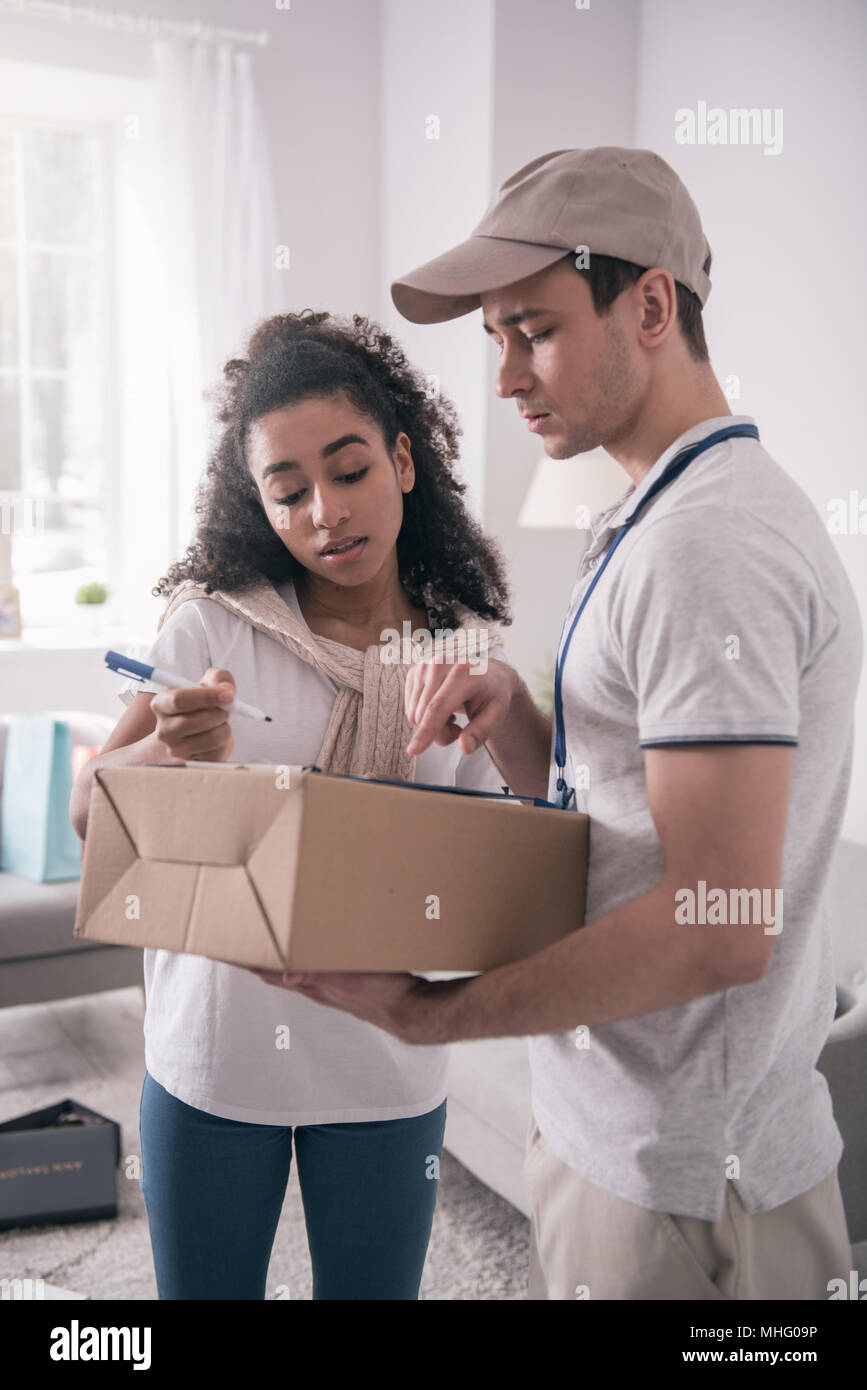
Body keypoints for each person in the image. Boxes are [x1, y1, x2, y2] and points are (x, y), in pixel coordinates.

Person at [257, 148, 863, 1301]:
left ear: (647, 306)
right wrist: (529, 726)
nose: (502, 377)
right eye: (493, 337)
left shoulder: (705, 547)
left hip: (680, 1185)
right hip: (643, 1146)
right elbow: (641, 832)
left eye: (531, 329)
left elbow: (717, 925)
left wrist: (433, 1015)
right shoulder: (665, 515)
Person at [70, 309, 513, 1300]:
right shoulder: (208, 629)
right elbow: (87, 817)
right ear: (260, 504)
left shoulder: (466, 656)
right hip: (214, 1063)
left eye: (350, 470)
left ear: (403, 460)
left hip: (388, 1067)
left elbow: (491, 875)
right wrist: (162, 748)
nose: (325, 511)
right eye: (289, 490)